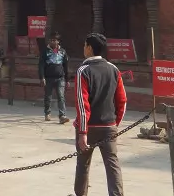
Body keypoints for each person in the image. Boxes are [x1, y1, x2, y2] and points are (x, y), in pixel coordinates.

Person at [72, 33, 127, 196]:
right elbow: (122, 100)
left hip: (89, 127)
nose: (83, 49)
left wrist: (82, 132)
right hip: (109, 125)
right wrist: (114, 123)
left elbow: (82, 105)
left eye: (84, 46)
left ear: (89, 48)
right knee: (112, 165)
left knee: (83, 164)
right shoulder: (114, 69)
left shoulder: (83, 71)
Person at [39, 31, 70, 124]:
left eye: (54, 40)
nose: (52, 42)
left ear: (58, 42)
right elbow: (41, 65)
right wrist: (42, 77)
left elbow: (66, 66)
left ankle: (62, 116)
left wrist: (67, 79)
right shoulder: (45, 51)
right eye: (51, 40)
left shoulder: (63, 52)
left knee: (61, 96)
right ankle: (47, 113)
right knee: (48, 96)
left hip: (60, 78)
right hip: (48, 78)